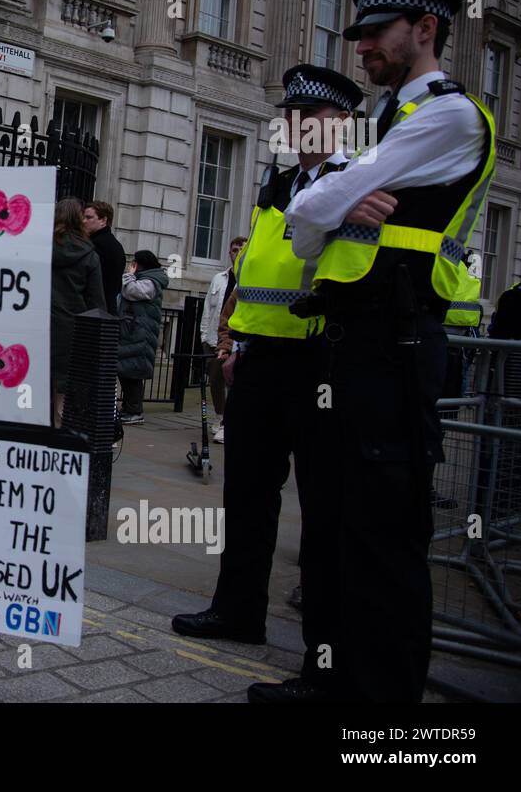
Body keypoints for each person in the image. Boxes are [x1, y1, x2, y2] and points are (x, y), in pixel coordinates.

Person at [282, 0, 497, 703]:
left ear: (426, 29)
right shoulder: (387, 121)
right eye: (360, 34)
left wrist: (331, 204)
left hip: (396, 348)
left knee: (385, 535)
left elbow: (322, 202)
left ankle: (383, 705)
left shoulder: (449, 117)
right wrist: (332, 207)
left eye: (378, 33)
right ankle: (329, 682)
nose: (364, 46)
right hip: (350, 342)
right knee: (337, 523)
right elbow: (304, 220)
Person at [173, 65, 362, 674]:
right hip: (258, 359)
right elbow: (254, 274)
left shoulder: (357, 182)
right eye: (293, 116)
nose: (300, 126)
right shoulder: (276, 183)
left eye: (315, 117)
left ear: (343, 124)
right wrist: (234, 343)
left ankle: (324, 654)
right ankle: (238, 611)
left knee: (323, 506)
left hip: (319, 361)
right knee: (247, 495)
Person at [51, 197, 107, 425]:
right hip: (71, 331)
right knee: (64, 394)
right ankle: (63, 445)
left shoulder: (38, 249)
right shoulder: (90, 256)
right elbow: (97, 304)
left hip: (36, 327)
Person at [199, 236, 246, 443]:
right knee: (216, 378)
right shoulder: (219, 278)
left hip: (237, 341)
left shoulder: (247, 279)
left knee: (234, 380)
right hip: (214, 337)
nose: (236, 253)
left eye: (240, 249)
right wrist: (203, 335)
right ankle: (221, 417)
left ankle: (230, 421)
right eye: (234, 250)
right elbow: (209, 309)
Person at [117, 250, 169, 424]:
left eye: (134, 263)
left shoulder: (151, 282)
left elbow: (131, 291)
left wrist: (129, 275)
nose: (132, 266)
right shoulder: (148, 279)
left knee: (133, 373)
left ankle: (135, 411)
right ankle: (129, 408)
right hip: (133, 333)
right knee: (126, 372)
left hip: (140, 334)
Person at [84, 201, 126, 311]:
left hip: (94, 311)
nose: (83, 221)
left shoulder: (96, 245)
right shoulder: (116, 245)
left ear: (103, 220)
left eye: (89, 217)